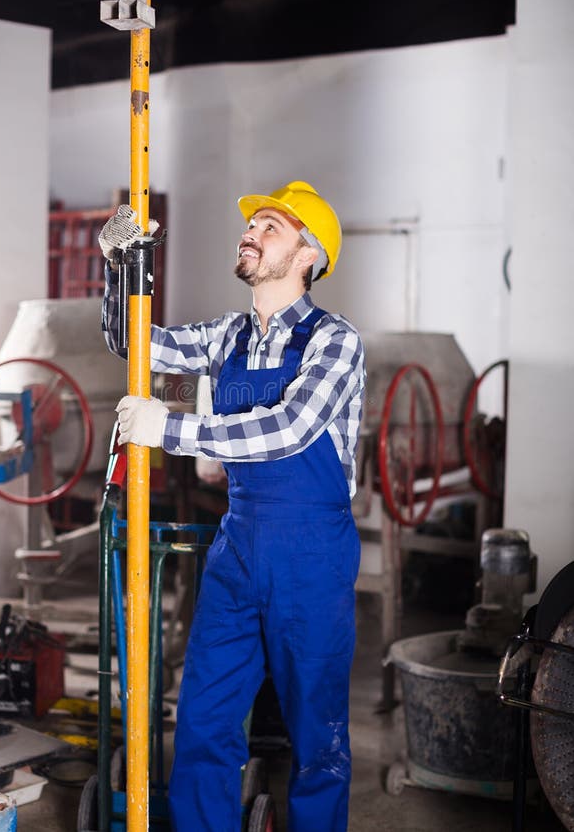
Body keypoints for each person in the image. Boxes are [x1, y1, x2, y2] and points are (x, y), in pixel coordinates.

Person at [100, 180, 366, 832]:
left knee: (317, 736)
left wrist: (169, 429)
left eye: (271, 226)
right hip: (239, 543)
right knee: (203, 720)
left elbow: (288, 429)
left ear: (309, 255)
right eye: (252, 224)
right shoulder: (227, 335)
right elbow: (135, 344)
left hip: (311, 553)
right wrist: (120, 270)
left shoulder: (335, 342)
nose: (251, 232)